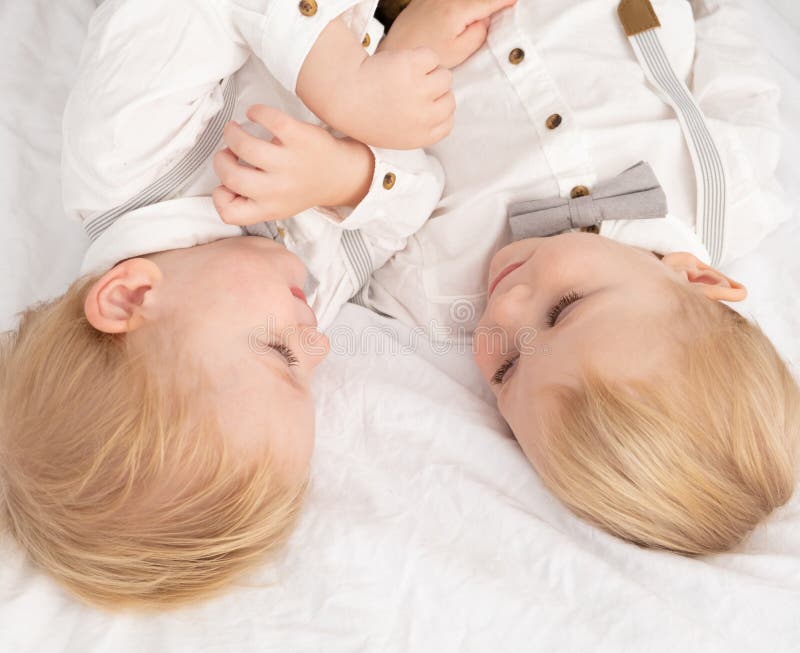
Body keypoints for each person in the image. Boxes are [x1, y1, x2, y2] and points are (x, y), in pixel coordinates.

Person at [0, 0, 511, 608]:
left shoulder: (125, 156)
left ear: (132, 296)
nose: (316, 342)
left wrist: (344, 85)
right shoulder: (301, 292)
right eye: (308, 369)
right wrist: (344, 178)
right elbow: (410, 202)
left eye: (279, 353)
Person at [369, 0, 799, 554]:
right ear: (698, 279)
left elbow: (350, 172)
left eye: (505, 368)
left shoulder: (429, 288)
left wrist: (401, 52)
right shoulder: (728, 186)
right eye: (564, 308)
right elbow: (727, 42)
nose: (506, 310)